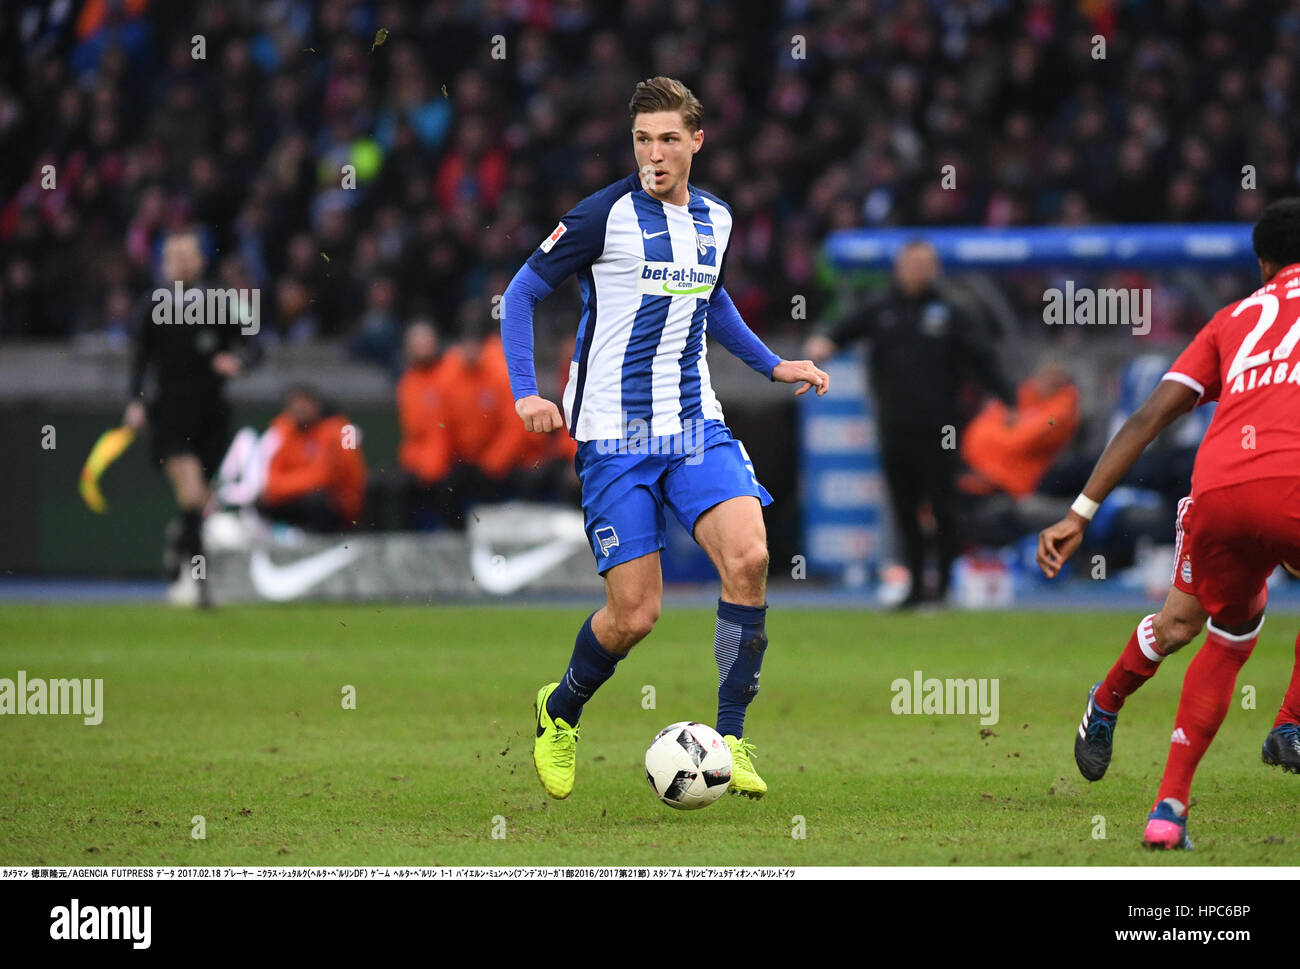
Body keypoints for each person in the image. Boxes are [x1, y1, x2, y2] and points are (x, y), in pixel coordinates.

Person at [501, 76, 829, 801]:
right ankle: (559, 712)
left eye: (669, 139)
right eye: (643, 139)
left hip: (693, 424)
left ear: (697, 141)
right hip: (614, 438)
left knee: (750, 556)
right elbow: (522, 292)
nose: (655, 153)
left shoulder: (717, 219)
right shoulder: (600, 217)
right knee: (636, 614)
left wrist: (774, 364)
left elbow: (710, 300)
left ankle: (731, 739)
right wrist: (527, 390)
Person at [1037, 197, 1300, 849]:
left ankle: (1163, 804)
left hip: (1220, 487)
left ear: (1264, 263)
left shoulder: (1232, 319)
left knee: (1191, 624)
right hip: (1292, 480)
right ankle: (1289, 723)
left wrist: (1079, 511)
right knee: (1226, 627)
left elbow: (1149, 418)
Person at [804, 240, 1016, 607]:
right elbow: (843, 330)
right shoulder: (881, 306)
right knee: (904, 507)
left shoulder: (951, 309)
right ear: (900, 267)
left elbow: (983, 358)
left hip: (941, 428)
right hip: (894, 423)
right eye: (912, 264)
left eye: (925, 264)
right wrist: (824, 343)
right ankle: (916, 585)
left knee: (942, 505)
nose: (919, 271)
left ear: (934, 268)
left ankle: (945, 585)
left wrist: (1009, 398)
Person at [123, 227, 261, 607]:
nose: (182, 263)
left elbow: (253, 345)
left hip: (211, 412)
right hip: (170, 411)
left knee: (198, 501)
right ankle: (200, 584)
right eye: (174, 256)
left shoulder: (224, 299)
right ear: (165, 263)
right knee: (193, 492)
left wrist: (239, 362)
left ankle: (180, 548)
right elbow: (140, 361)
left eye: (188, 255)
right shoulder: (152, 304)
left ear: (200, 259)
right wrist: (135, 402)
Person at [258, 385, 367, 532]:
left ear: (317, 405)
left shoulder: (337, 430)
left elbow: (324, 476)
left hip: (338, 504)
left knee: (316, 500)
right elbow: (273, 481)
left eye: (305, 403)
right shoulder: (283, 431)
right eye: (295, 404)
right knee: (263, 503)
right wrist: (285, 488)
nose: (300, 408)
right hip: (298, 497)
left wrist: (286, 486)